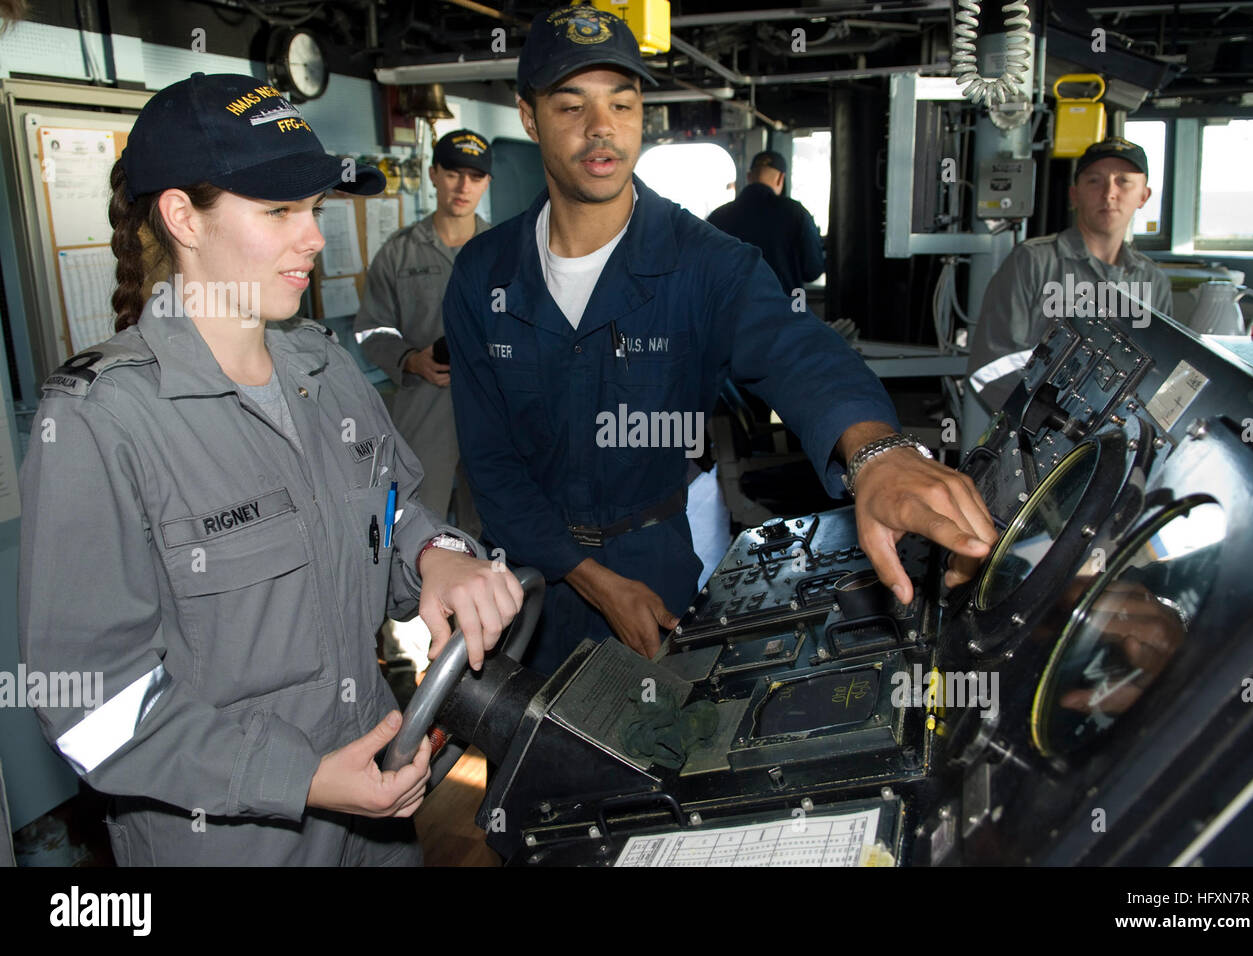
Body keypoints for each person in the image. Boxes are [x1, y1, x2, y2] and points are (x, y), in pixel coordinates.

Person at [17, 73, 523, 866]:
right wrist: (301, 777)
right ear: (183, 216)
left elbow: (390, 512)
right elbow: (89, 705)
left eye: (314, 208)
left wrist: (436, 555)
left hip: (379, 816)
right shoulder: (97, 422)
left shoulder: (326, 370)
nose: (314, 236)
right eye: (279, 211)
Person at [443, 5, 998, 676]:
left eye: (623, 105)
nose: (602, 131)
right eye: (571, 107)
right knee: (530, 770)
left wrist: (876, 451)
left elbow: (797, 350)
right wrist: (589, 576)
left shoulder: (707, 262)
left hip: (659, 565)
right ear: (529, 116)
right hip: (525, 580)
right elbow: (492, 467)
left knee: (664, 751)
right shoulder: (483, 275)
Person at [354, 129, 493, 539]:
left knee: (491, 517)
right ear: (433, 174)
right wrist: (410, 359)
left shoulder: (506, 251)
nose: (463, 186)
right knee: (418, 516)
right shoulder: (398, 252)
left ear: (487, 183)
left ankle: (496, 598)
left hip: (493, 407)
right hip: (425, 403)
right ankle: (419, 601)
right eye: (453, 173)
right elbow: (370, 330)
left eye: (475, 176)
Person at [967, 137, 1173, 410]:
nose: (1109, 193)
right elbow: (992, 368)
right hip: (1039, 440)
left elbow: (1163, 375)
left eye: (1123, 181)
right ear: (1074, 195)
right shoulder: (1032, 262)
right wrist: (1059, 424)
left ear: (1143, 196)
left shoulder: (1152, 281)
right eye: (1094, 181)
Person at [707, 150, 826, 297]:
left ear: (749, 177)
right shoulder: (796, 213)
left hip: (732, 314)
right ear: (781, 179)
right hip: (788, 310)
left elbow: (708, 272)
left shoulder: (717, 217)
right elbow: (812, 271)